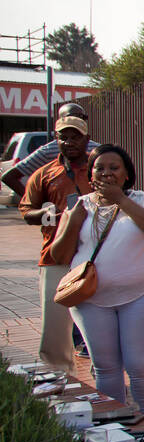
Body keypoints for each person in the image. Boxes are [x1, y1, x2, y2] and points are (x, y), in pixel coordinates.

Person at [50, 144, 144, 420]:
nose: (106, 173)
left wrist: (120, 200)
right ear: (90, 174)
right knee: (106, 367)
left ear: (127, 174)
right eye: (99, 168)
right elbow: (59, 254)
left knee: (140, 367)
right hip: (90, 300)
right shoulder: (79, 205)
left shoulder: (143, 199)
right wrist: (74, 221)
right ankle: (115, 425)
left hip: (138, 297)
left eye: (114, 168)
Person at [17, 115, 92, 372]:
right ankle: (58, 379)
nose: (69, 142)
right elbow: (26, 210)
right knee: (56, 328)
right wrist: (46, 213)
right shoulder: (44, 173)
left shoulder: (98, 168)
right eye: (63, 136)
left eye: (75, 136)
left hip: (96, 255)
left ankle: (108, 382)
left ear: (86, 139)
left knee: (100, 322)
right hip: (55, 257)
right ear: (56, 140)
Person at [0, 101, 100, 198]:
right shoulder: (48, 151)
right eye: (71, 117)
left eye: (82, 117)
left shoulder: (97, 150)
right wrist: (35, 202)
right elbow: (9, 177)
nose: (70, 143)